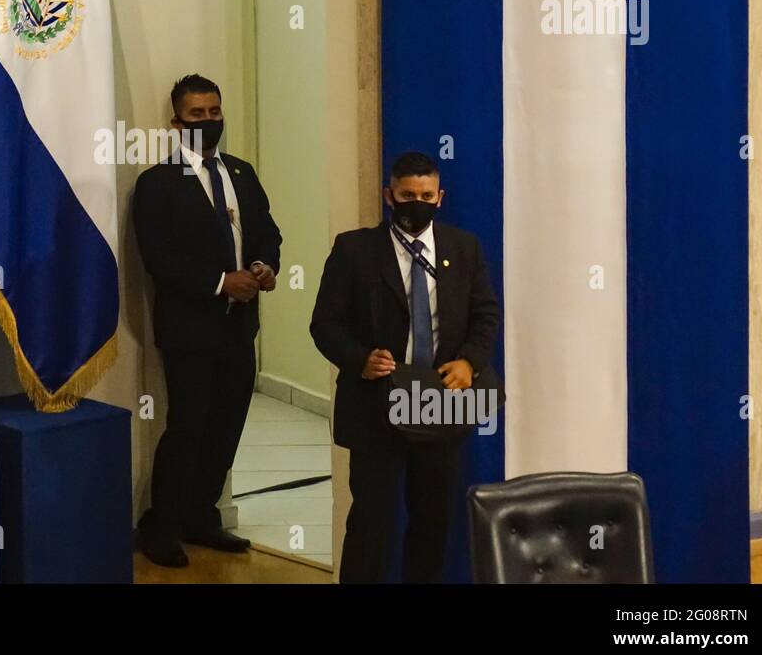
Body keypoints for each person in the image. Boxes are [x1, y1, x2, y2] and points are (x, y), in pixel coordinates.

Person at [310, 151, 500, 583]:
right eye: (407, 194)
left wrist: (470, 361)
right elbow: (324, 324)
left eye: (426, 195)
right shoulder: (354, 249)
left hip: (439, 401)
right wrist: (360, 358)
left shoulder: (462, 248)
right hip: (377, 403)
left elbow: (486, 314)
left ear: (440, 197)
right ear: (389, 196)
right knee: (372, 522)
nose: (418, 202)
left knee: (433, 519)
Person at [133, 74, 282, 568]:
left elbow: (267, 232)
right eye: (197, 114)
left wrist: (264, 266)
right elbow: (160, 258)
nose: (208, 121)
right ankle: (162, 527)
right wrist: (221, 282)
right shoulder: (157, 184)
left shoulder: (241, 173)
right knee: (188, 428)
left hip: (240, 327)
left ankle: (202, 517)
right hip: (190, 329)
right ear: (176, 123)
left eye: (214, 112)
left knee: (227, 425)